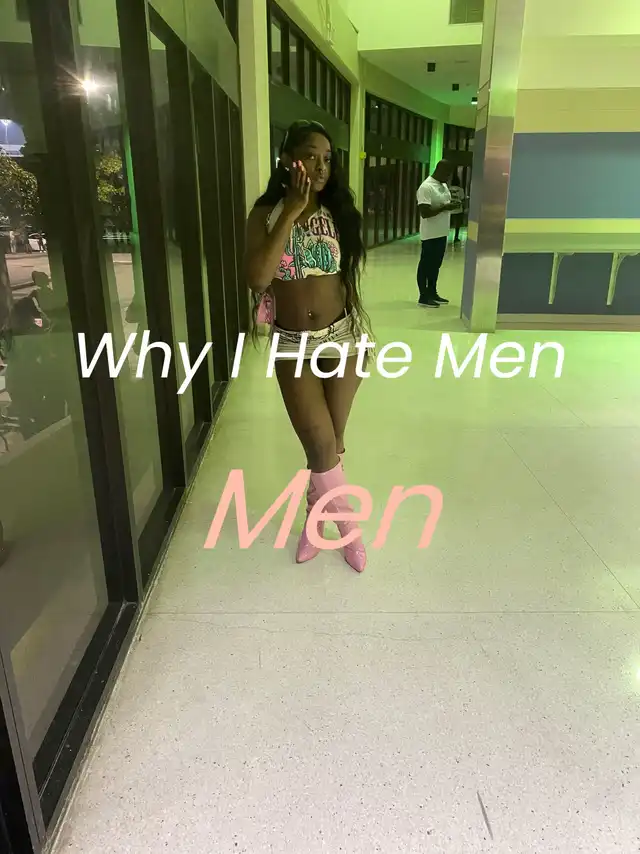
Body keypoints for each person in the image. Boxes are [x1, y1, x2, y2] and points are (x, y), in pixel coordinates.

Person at [244, 120, 372, 573]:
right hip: (292, 343)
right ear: (287, 160)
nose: (320, 167)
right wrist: (293, 210)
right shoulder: (265, 214)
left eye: (327, 159)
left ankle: (313, 524)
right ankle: (349, 532)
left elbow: (344, 280)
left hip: (343, 338)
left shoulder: (339, 211)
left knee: (330, 445)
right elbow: (258, 278)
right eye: (310, 156)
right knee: (320, 444)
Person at [416, 159, 456, 308]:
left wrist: (451, 206)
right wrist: (445, 208)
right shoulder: (426, 187)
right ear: (439, 170)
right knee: (425, 265)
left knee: (436, 266)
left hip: (442, 232)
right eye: (447, 174)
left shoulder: (443, 185)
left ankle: (432, 292)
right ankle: (423, 296)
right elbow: (424, 212)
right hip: (430, 234)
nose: (448, 177)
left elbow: (443, 204)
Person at [449, 170, 465, 245]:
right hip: (458, 209)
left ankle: (445, 236)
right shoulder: (461, 190)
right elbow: (462, 198)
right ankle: (456, 237)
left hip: (449, 209)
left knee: (448, 224)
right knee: (457, 225)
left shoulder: (448, 188)